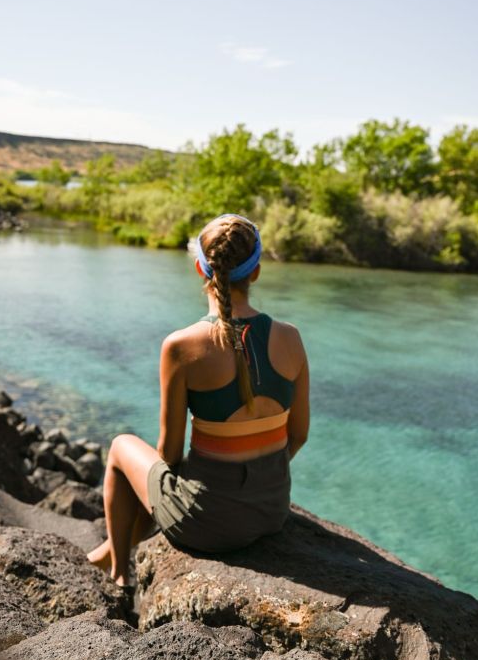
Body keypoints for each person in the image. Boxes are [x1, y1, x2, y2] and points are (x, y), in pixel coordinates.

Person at [86, 213, 310, 586]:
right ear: (255, 273)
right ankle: (112, 549)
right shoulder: (291, 338)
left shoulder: (181, 346)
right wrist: (254, 478)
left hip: (206, 525)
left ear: (199, 269)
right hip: (271, 512)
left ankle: (119, 569)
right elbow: (298, 435)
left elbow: (169, 454)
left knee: (121, 446)